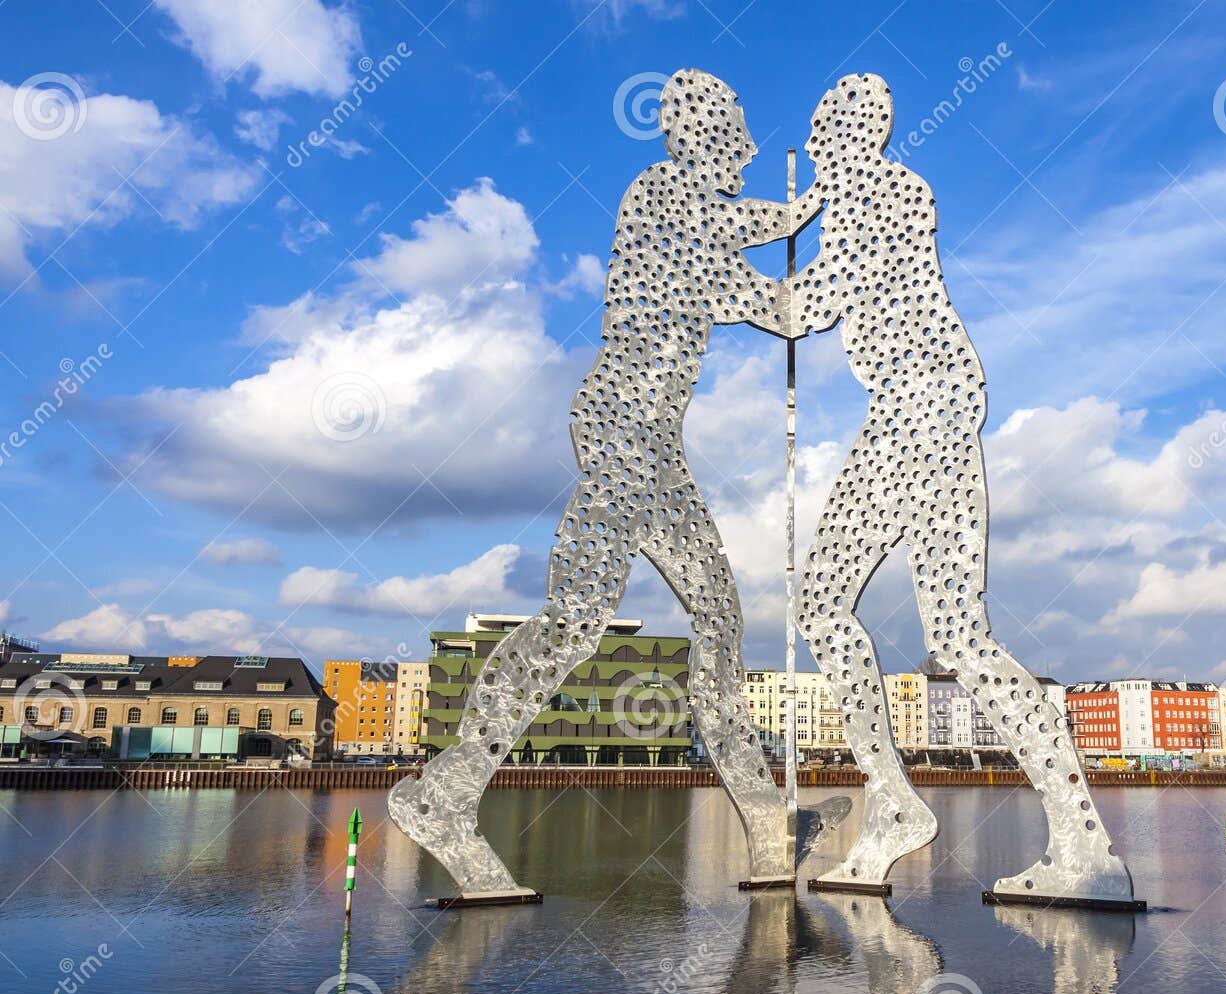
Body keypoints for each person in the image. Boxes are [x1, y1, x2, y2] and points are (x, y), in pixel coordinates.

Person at [389, 70, 802, 894]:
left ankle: (763, 823)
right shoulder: (662, 201)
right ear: (700, 136)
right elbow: (756, 286)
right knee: (597, 620)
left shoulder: (692, 213)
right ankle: (448, 790)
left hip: (652, 442)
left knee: (696, 616)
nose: (749, 152)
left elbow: (747, 240)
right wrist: (815, 225)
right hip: (624, 429)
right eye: (737, 136)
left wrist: (804, 217)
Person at [787, 75, 1136, 904]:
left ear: (845, 139)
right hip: (936, 410)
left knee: (820, 604)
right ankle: (1083, 844)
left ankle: (895, 803)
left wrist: (715, 280)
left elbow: (808, 304)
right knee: (957, 632)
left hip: (915, 409)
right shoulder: (887, 195)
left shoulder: (882, 197)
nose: (823, 157)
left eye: (825, 141)